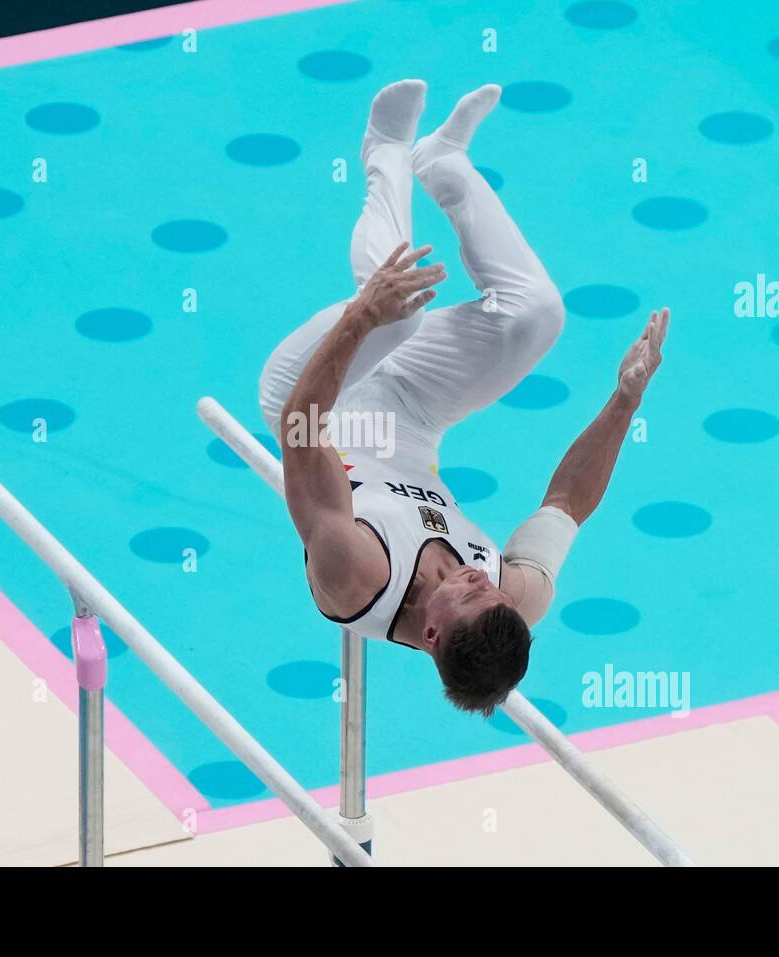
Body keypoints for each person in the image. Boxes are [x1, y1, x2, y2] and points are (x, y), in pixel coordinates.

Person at [258, 80, 669, 716]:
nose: (482, 579)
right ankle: (445, 161)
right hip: (412, 417)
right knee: (536, 316)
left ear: (430, 635)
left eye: (470, 594)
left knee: (397, 312)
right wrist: (624, 402)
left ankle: (386, 150)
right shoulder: (511, 598)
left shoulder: (356, 574)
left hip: (314, 404)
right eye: (494, 594)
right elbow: (567, 503)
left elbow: (299, 431)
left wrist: (361, 320)